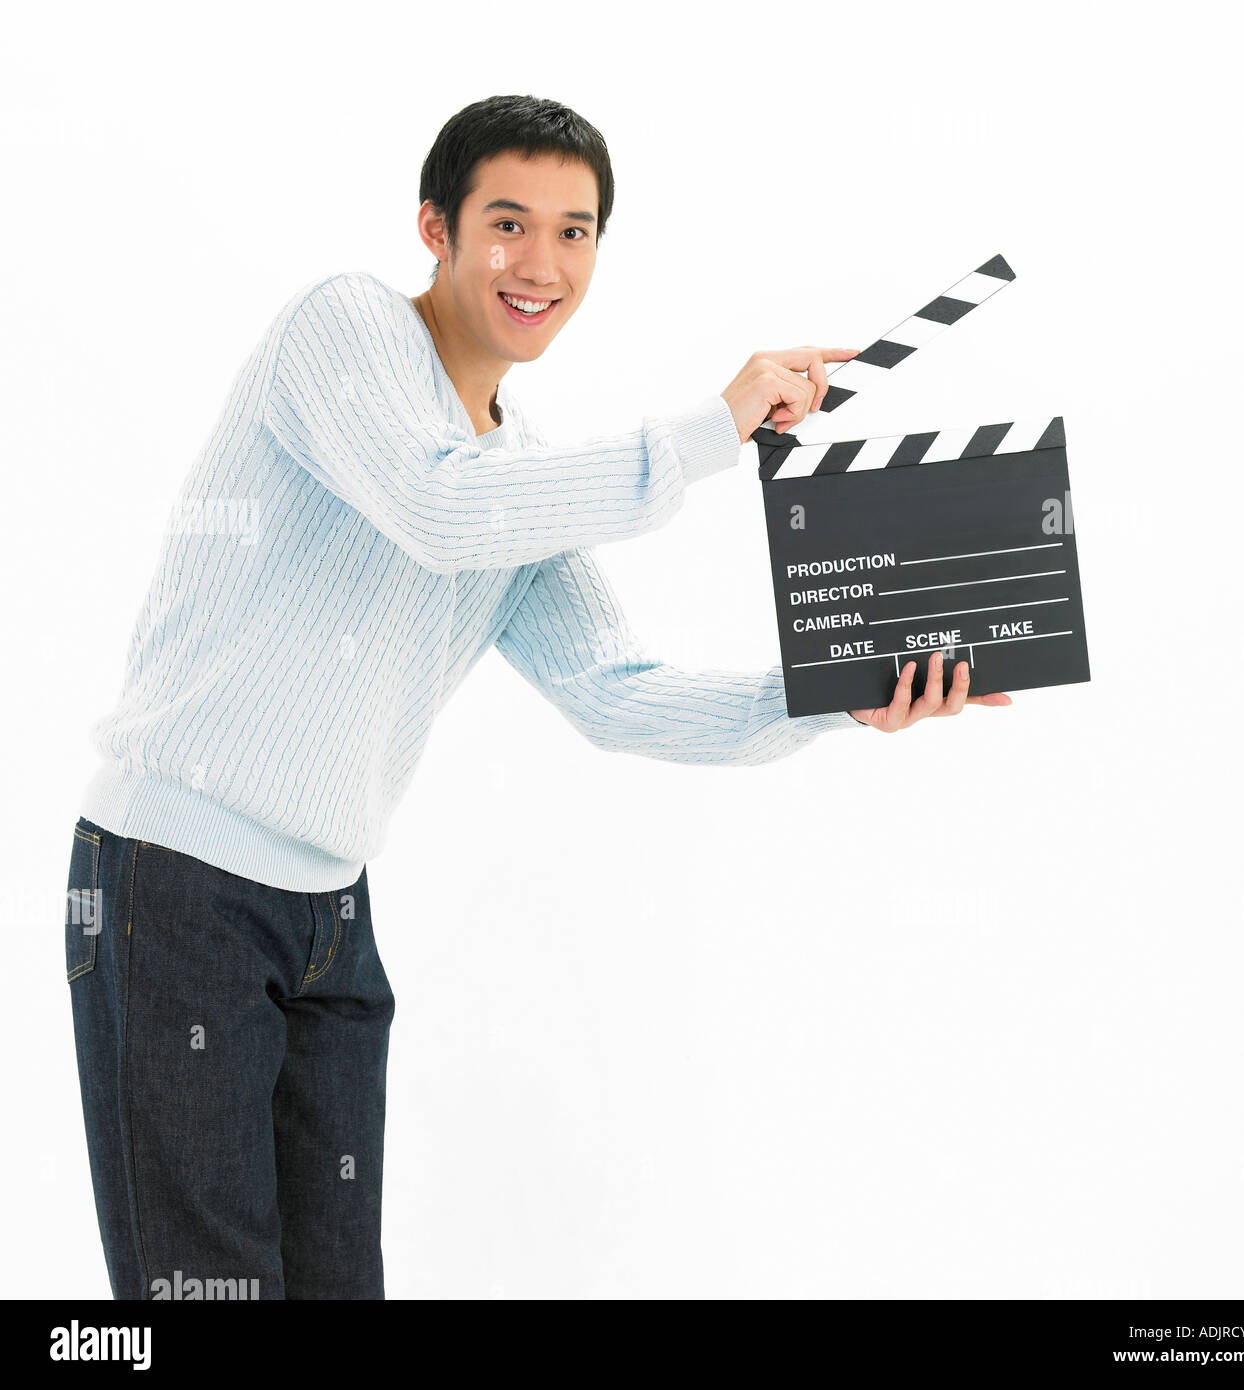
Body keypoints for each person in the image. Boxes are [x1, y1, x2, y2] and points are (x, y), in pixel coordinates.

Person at [63, 93, 1012, 1301]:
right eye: (507, 222)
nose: (539, 262)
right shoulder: (343, 329)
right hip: (175, 885)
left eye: (575, 232)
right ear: (435, 229)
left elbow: (620, 694)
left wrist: (840, 691)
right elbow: (434, 506)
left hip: (330, 920)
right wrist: (712, 431)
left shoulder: (522, 480)